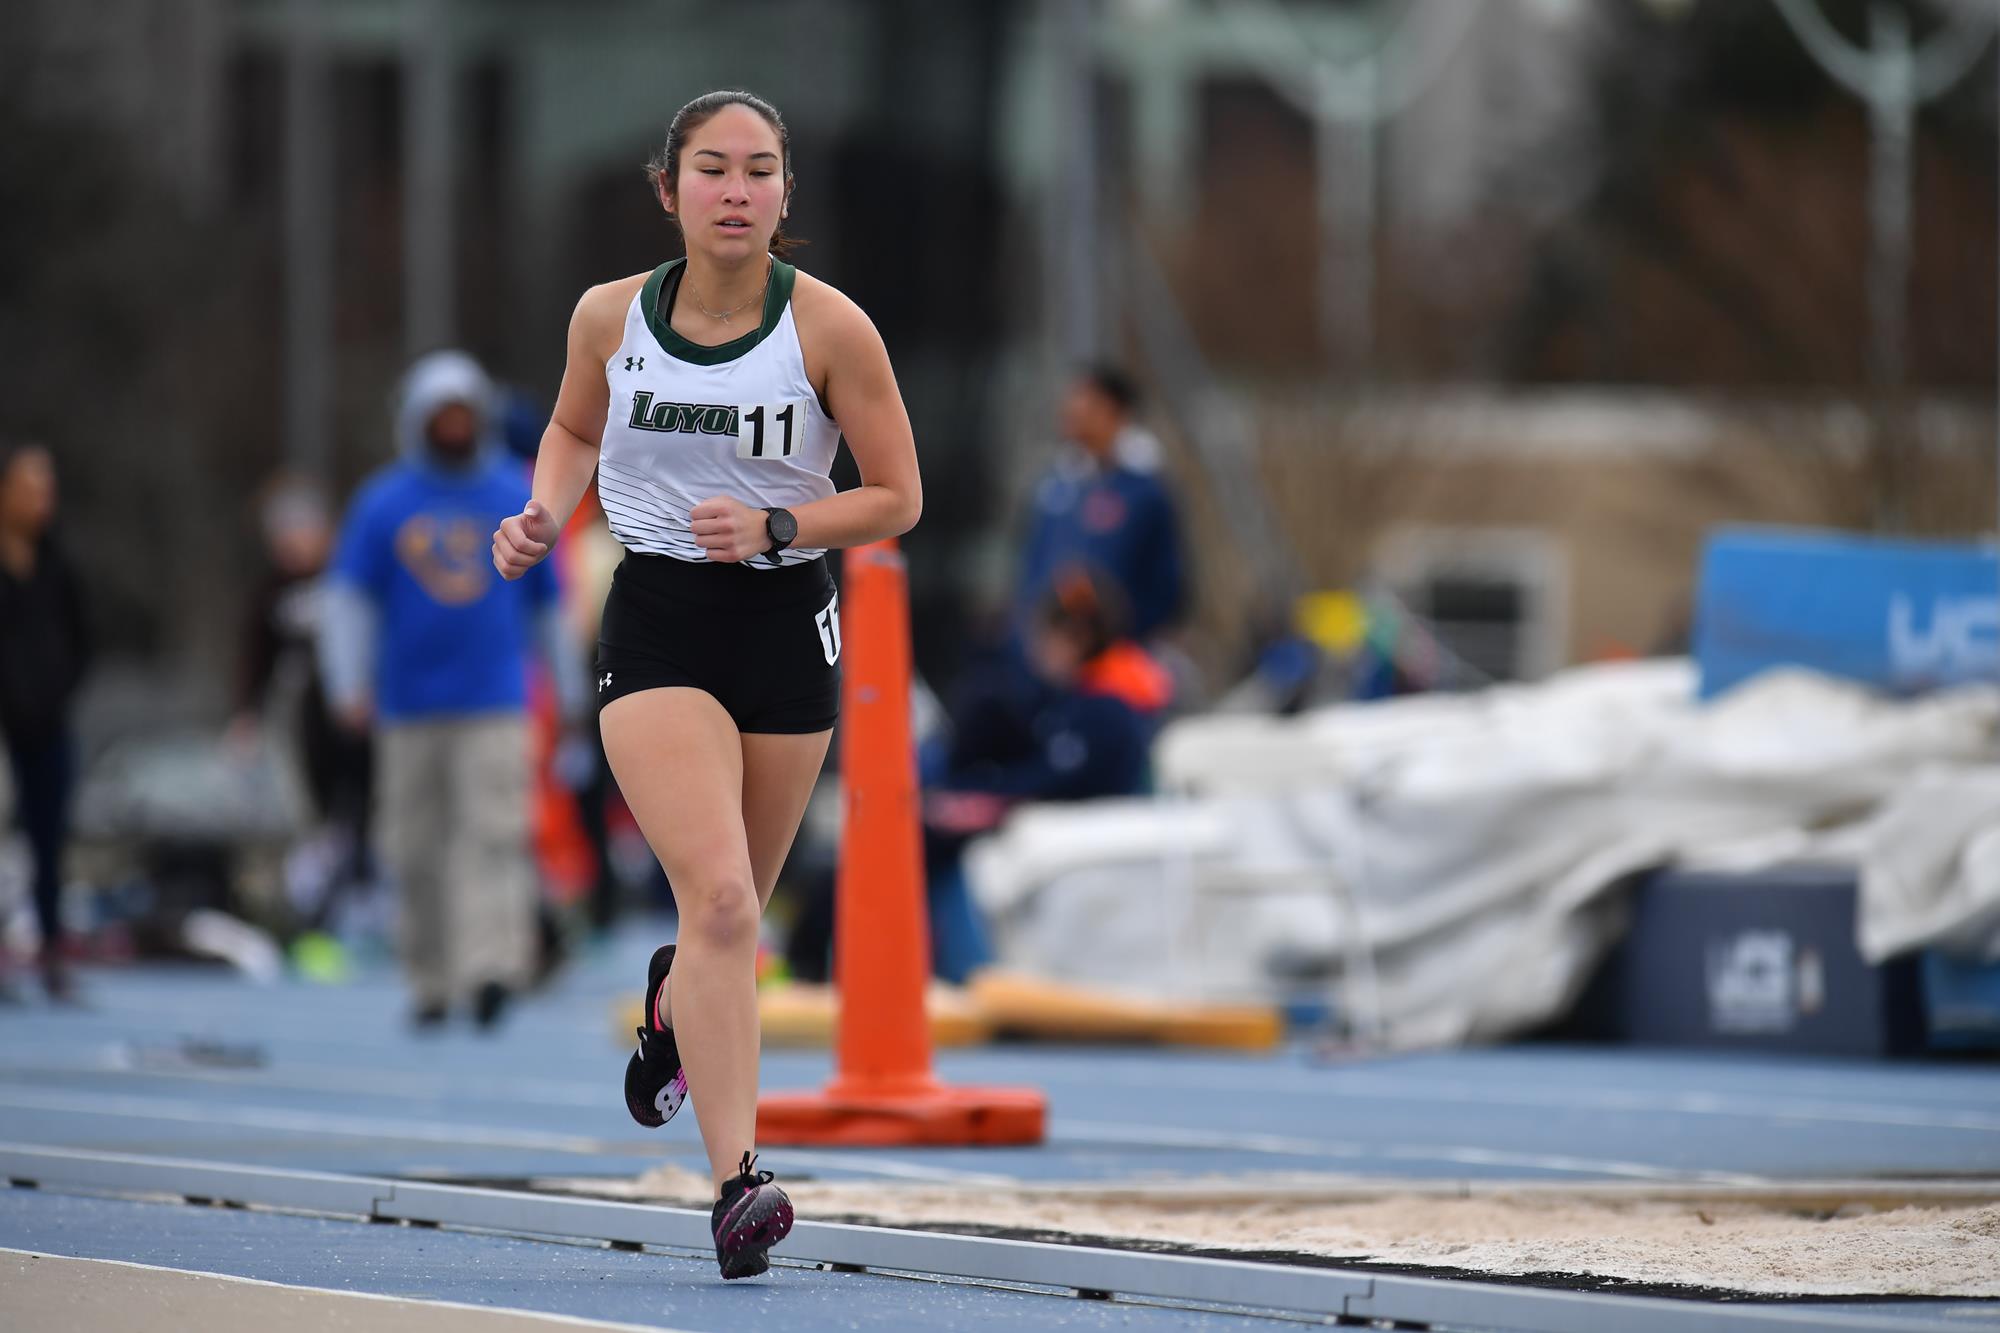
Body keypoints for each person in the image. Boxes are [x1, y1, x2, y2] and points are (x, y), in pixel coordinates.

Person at [490, 90, 920, 1281]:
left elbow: (897, 495)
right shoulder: (607, 317)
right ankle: (739, 1182)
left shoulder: (831, 329)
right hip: (661, 624)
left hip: (788, 626)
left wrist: (785, 521)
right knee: (722, 901)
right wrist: (541, 512)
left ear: (786, 196)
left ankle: (673, 1000)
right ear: (667, 188)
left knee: (730, 919)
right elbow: (575, 431)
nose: (736, 191)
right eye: (713, 169)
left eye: (760, 170)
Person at [320, 350, 586, 1032]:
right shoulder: (384, 502)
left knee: (495, 836)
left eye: (464, 414)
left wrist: (573, 692)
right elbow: (347, 602)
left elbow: (552, 605)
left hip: (496, 701)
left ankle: (494, 969)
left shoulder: (513, 493)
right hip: (406, 706)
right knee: (413, 844)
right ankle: (430, 976)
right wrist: (346, 682)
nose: (454, 426)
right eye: (442, 415)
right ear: (418, 420)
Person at [229, 477, 374, 937]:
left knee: (368, 808)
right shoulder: (272, 592)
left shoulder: (349, 575)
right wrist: (246, 715)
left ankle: (365, 896)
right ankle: (324, 910)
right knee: (321, 816)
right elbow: (256, 656)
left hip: (362, 713)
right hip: (306, 717)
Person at [0, 443, 90, 1003]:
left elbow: (83, 640)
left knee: (50, 841)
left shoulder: (59, 563)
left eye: (48, 488)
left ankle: (51, 953)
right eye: (30, 487)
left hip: (49, 722)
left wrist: (57, 689)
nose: (42, 500)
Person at [1016, 365, 1187, 646]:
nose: (1071, 410)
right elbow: (1030, 566)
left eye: (1086, 402)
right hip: (1047, 657)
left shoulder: (1147, 491)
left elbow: (1168, 586)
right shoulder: (1054, 486)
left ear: (1115, 412)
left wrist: (1114, 632)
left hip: (1117, 656)